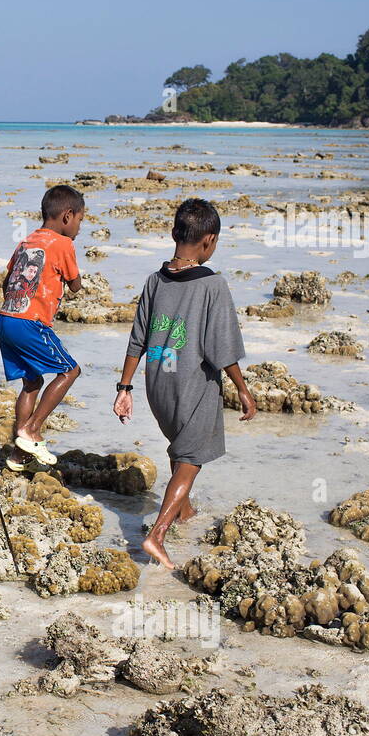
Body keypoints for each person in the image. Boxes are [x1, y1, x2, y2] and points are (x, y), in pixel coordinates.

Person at [112, 198, 256, 570]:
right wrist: (242, 388)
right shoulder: (213, 285)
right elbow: (221, 348)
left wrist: (124, 390)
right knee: (191, 458)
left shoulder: (155, 280)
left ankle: (184, 512)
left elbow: (137, 339)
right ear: (209, 241)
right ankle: (156, 535)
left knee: (181, 446)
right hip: (193, 383)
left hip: (157, 384)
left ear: (175, 233)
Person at [0, 184, 85, 470]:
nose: (80, 228)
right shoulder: (63, 244)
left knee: (32, 382)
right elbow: (75, 286)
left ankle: (17, 456)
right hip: (30, 324)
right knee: (70, 370)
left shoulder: (25, 242)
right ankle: (32, 430)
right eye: (81, 220)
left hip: (6, 320)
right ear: (68, 216)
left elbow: (6, 282)